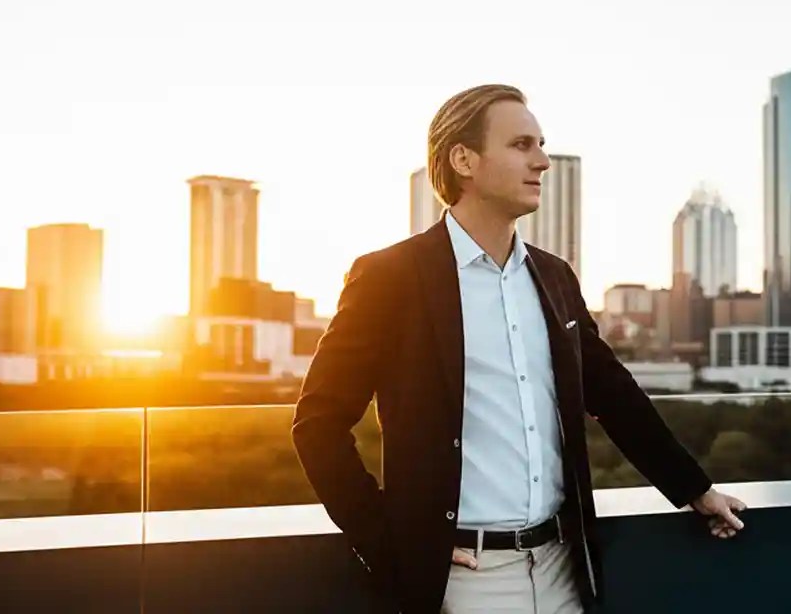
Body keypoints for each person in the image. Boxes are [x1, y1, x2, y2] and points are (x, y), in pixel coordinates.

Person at [292, 84, 746, 613]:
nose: (543, 162)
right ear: (463, 159)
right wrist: (390, 543)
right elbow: (317, 425)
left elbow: (613, 395)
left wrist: (695, 488)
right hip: (467, 580)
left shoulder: (554, 277)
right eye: (522, 145)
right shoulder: (390, 278)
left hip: (563, 568)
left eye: (542, 144)